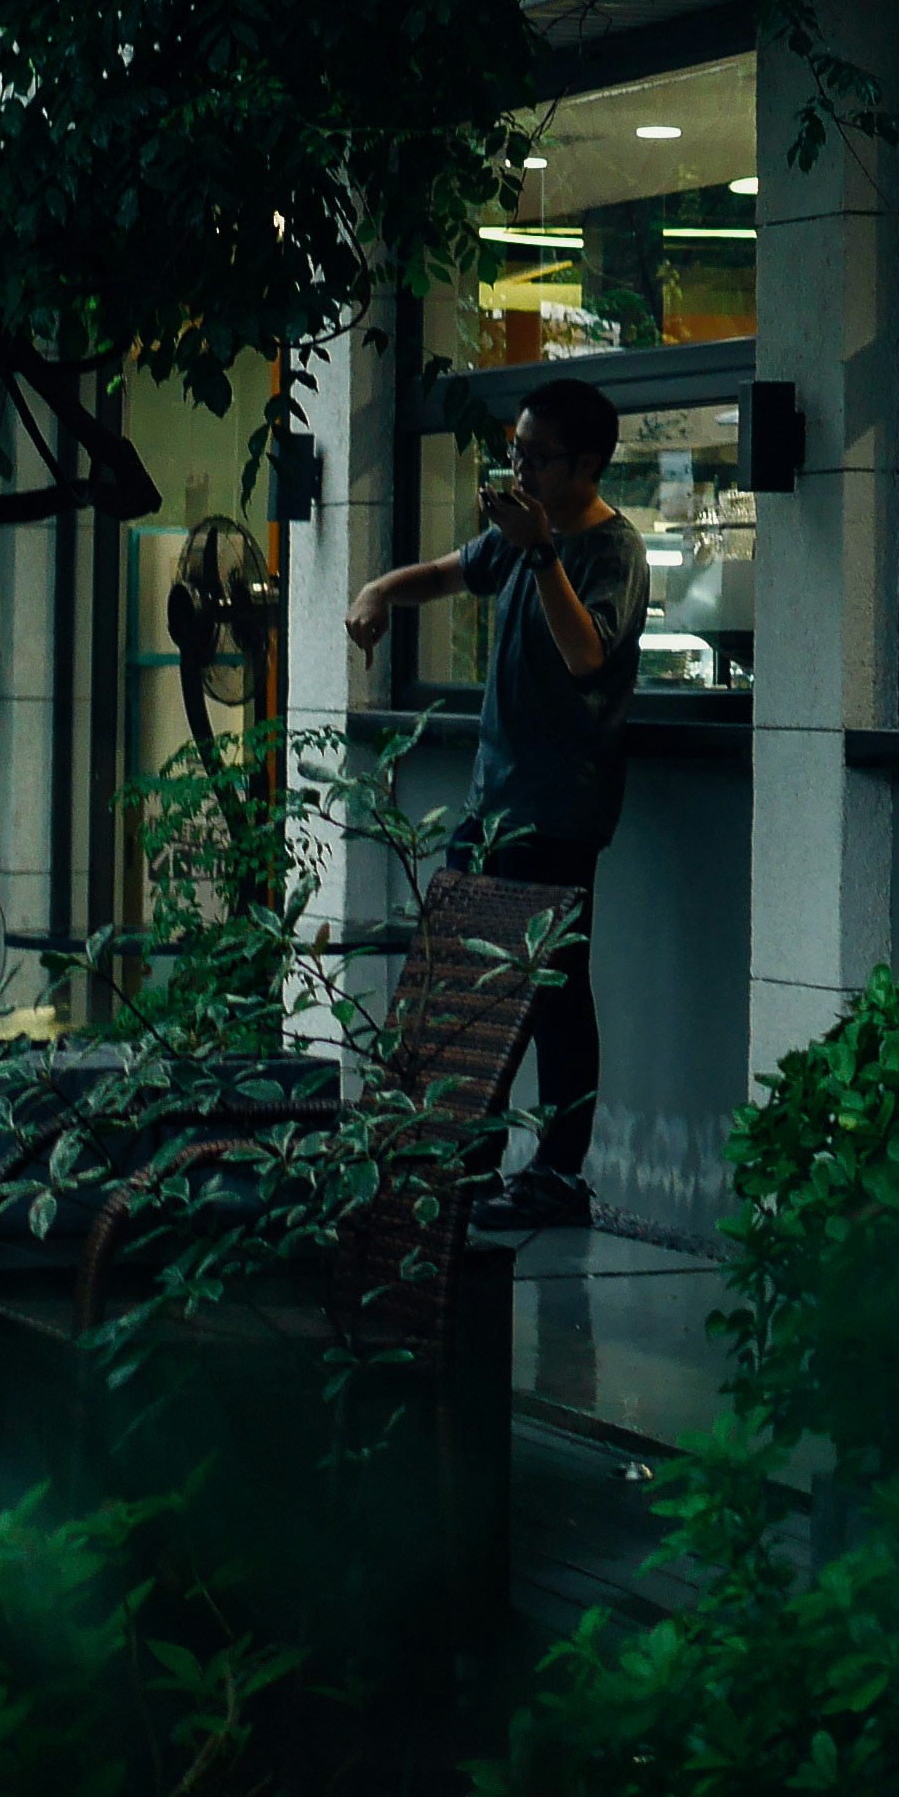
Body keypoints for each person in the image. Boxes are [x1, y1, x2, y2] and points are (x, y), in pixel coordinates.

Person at [343, 376, 647, 1234]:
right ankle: (456, 1154)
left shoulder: (605, 551)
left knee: (551, 992)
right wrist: (376, 592)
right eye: (514, 450)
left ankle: (558, 1173)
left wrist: (543, 551)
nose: (518, 468)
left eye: (536, 456)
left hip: (557, 809)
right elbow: (447, 572)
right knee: (462, 979)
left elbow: (588, 654)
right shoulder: (516, 534)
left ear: (586, 465)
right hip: (492, 801)